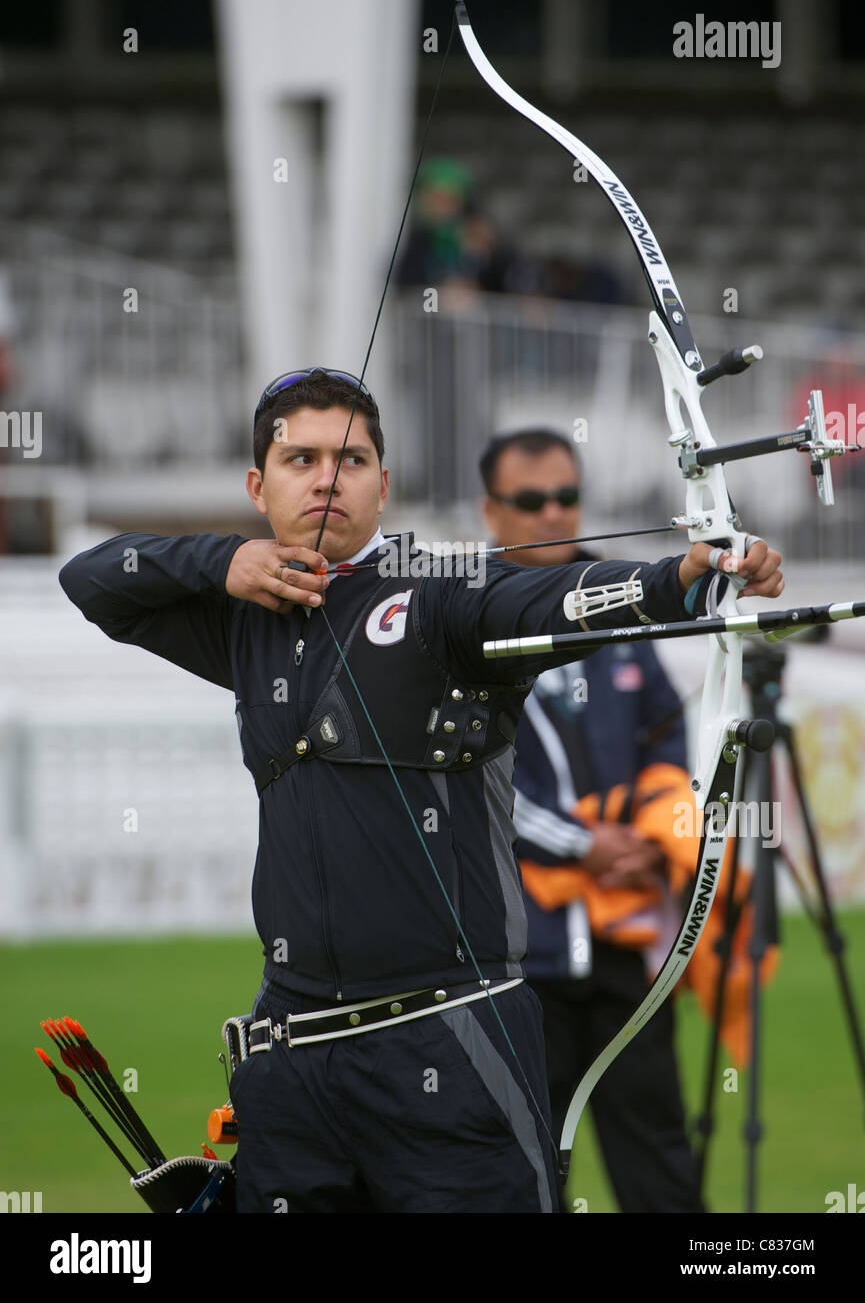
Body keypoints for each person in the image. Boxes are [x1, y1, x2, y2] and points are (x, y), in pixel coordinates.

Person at [58, 369, 783, 1213]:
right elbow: (93, 579)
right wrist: (225, 559)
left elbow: (562, 594)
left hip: (448, 1040)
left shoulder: (440, 589)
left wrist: (684, 577)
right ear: (257, 487)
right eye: (300, 459)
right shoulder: (243, 613)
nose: (328, 477)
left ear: (383, 484)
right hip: (294, 1062)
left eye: (351, 458)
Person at [480, 427, 709, 1212]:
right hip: (520, 961)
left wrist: (652, 836)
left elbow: (664, 739)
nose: (552, 514)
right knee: (522, 1178)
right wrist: (584, 843)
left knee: (661, 1167)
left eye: (566, 497)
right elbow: (481, 780)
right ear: (490, 511)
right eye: (530, 500)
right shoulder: (464, 618)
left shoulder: (622, 608)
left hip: (627, 946)